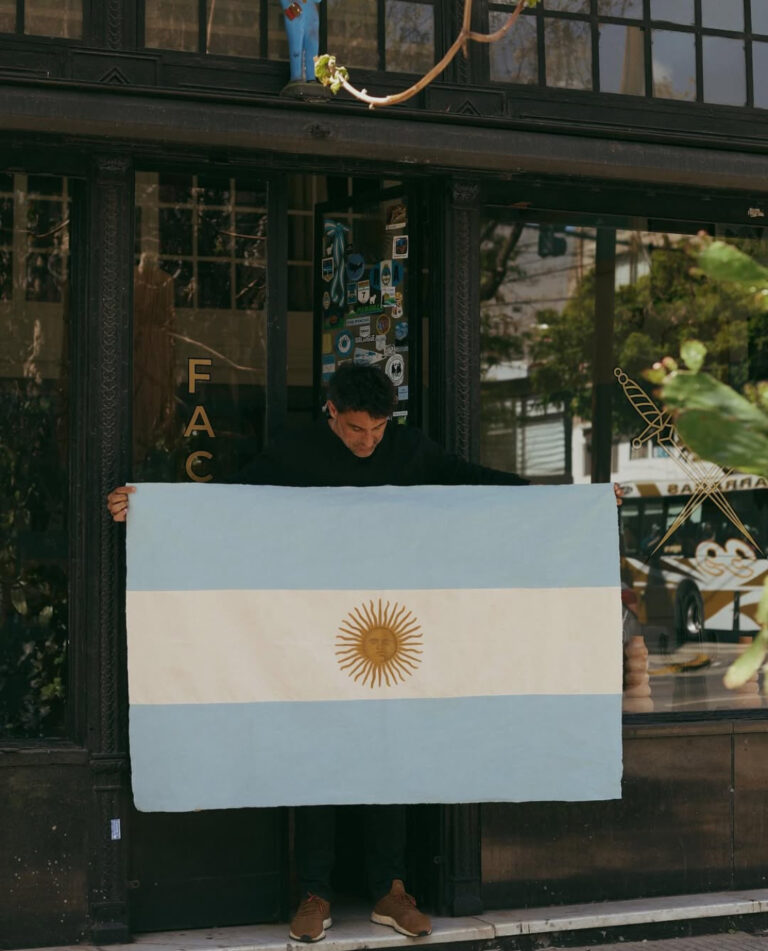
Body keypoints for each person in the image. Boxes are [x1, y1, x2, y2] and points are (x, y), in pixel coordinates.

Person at [107, 364, 617, 942]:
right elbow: (231, 505)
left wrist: (579, 506)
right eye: (355, 428)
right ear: (331, 411)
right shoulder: (297, 452)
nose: (368, 440)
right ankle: (314, 893)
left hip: (392, 637)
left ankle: (391, 890)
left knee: (390, 755)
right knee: (315, 757)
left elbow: (476, 487)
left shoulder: (408, 448)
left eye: (377, 428)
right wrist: (148, 510)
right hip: (312, 639)